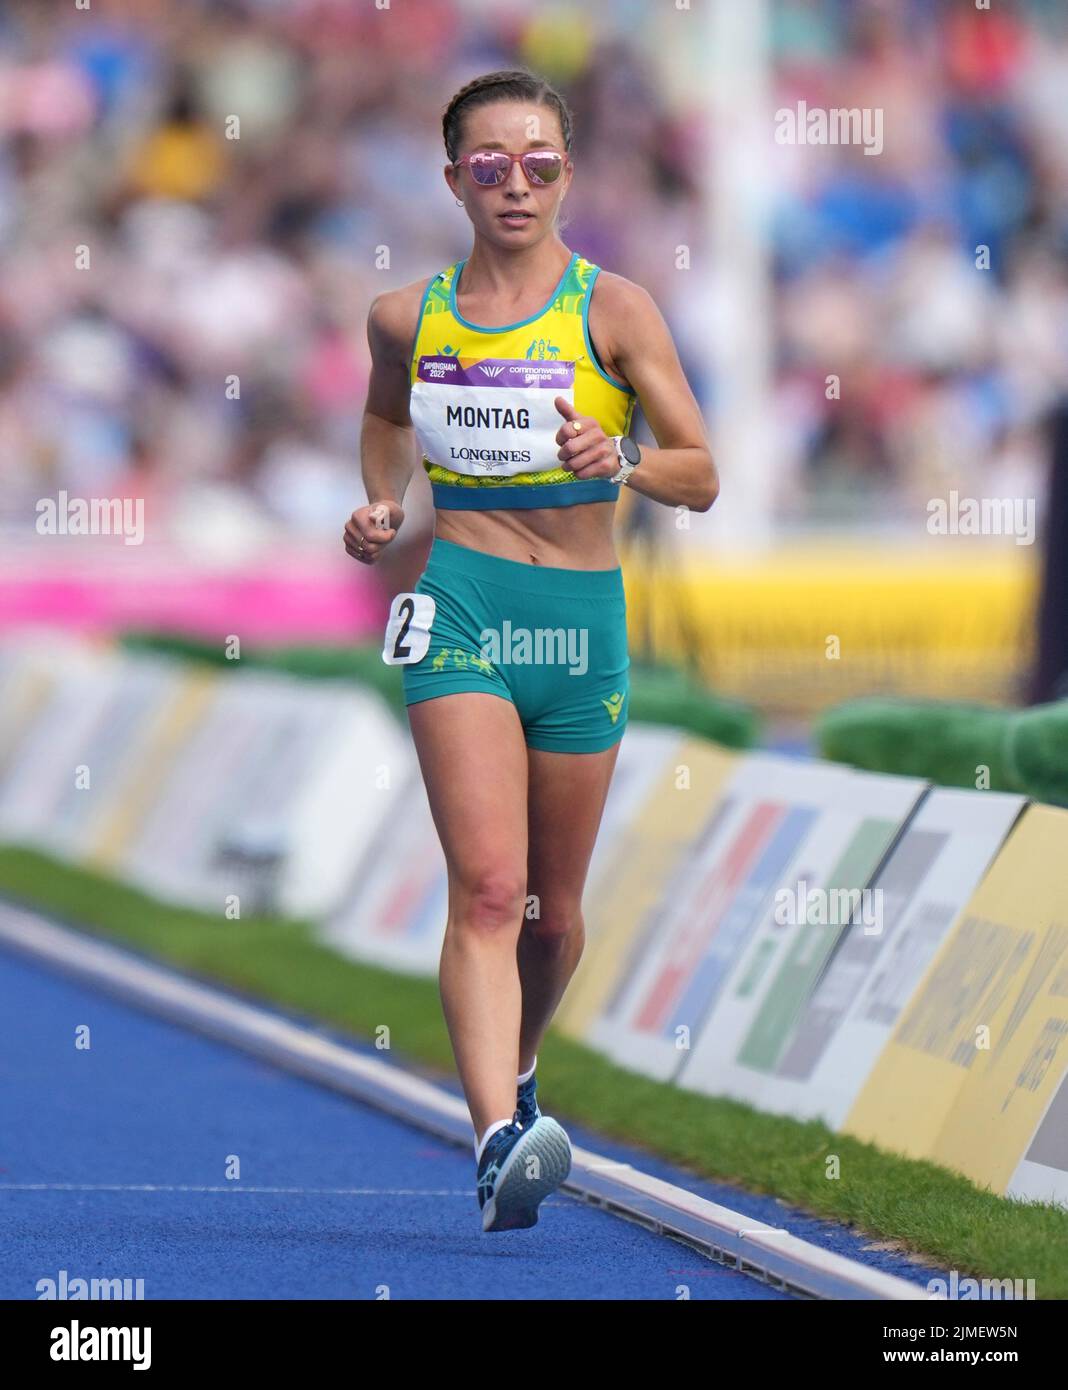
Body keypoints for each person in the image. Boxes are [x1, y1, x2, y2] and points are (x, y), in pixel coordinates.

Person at [344, 69, 718, 1232]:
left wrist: (627, 464)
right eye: (493, 166)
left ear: (569, 172)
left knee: (555, 914)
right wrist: (379, 503)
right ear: (454, 178)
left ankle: (519, 1068)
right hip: (461, 606)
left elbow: (702, 473)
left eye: (541, 163)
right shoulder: (407, 315)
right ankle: (495, 1134)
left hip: (580, 620)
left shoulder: (618, 311)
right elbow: (385, 416)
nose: (518, 185)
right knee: (491, 888)